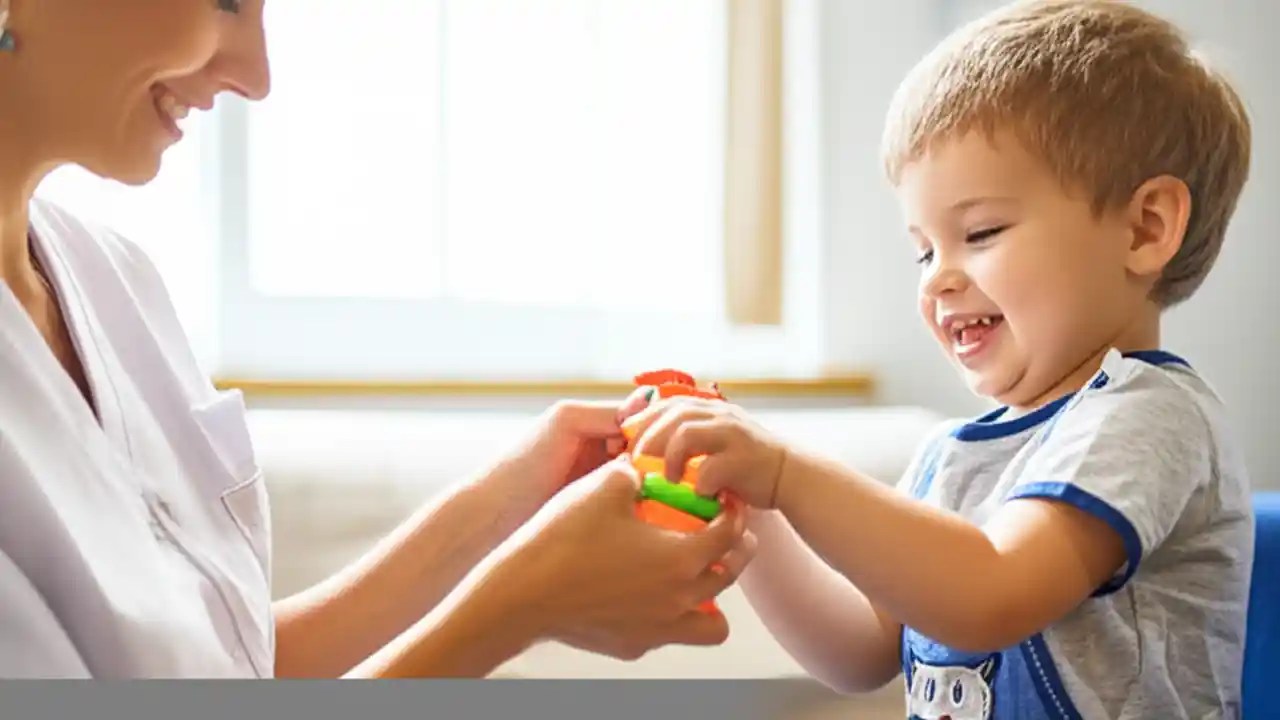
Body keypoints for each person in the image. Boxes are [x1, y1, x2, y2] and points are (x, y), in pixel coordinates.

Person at [0, 0, 754, 678]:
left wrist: (499, 509)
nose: (254, 76)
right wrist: (517, 608)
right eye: (226, 2)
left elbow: (229, 673)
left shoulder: (113, 282)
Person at [624, 1, 1254, 717]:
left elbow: (992, 594)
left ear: (1145, 228)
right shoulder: (951, 457)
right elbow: (857, 653)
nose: (937, 277)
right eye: (924, 249)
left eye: (980, 231)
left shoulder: (1149, 417)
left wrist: (784, 471)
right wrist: (753, 507)